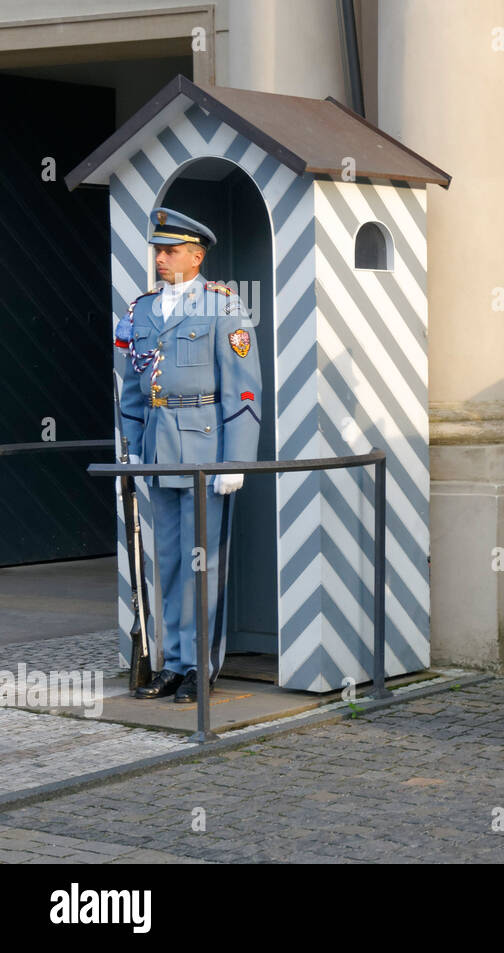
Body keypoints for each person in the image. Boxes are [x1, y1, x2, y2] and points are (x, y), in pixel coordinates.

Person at [117, 208, 262, 704]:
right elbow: (134, 391)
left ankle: (203, 665)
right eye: (159, 250)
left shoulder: (223, 307)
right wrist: (134, 451)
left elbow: (243, 391)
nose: (161, 257)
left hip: (206, 448)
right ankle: (175, 665)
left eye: (171, 250)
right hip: (160, 448)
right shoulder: (141, 311)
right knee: (171, 562)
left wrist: (235, 461)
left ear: (196, 256)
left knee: (205, 562)